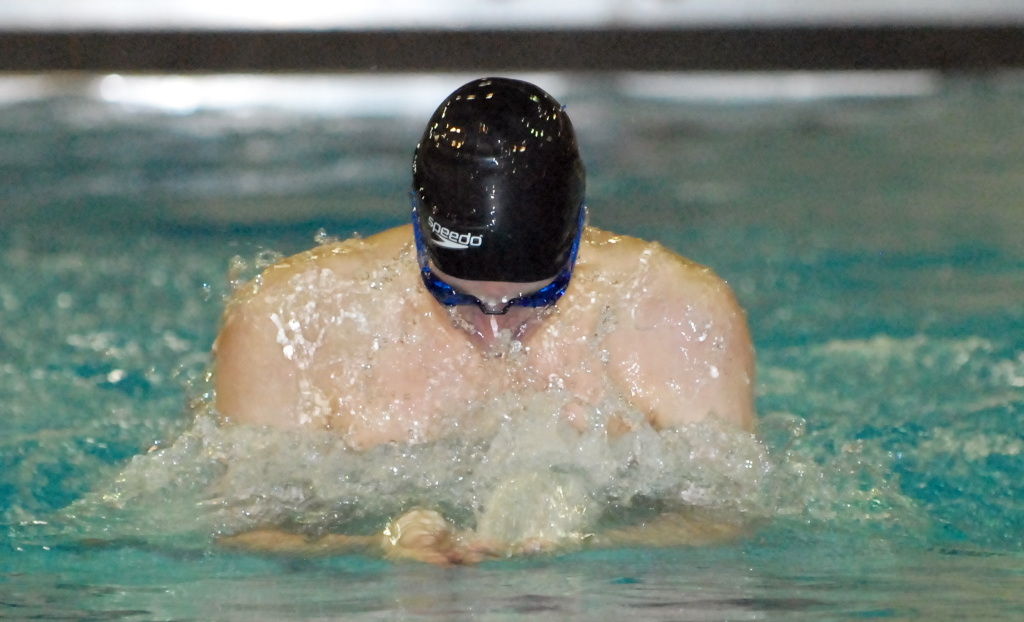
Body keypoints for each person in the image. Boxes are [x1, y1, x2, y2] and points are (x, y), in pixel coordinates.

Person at [213, 77, 755, 564]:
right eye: (453, 294)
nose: (494, 331)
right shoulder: (291, 321)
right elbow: (242, 535)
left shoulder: (680, 315)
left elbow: (724, 523)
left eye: (537, 297)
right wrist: (375, 548)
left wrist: (591, 542)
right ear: (420, 232)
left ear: (578, 234)